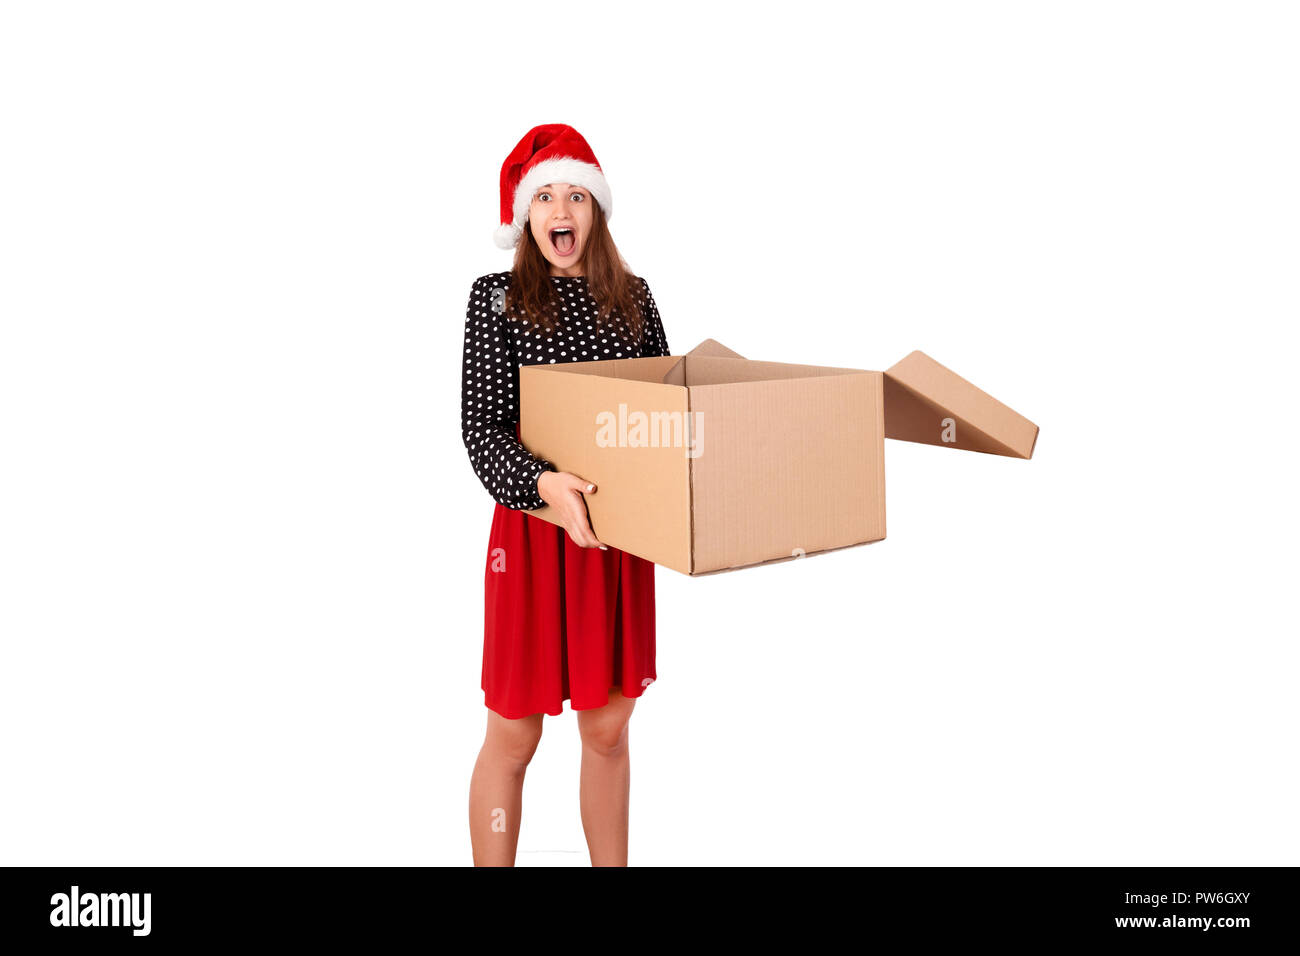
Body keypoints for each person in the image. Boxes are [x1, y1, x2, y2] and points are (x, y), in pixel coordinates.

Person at [461, 124, 671, 866]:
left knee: (608, 729)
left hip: (619, 538)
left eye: (576, 194)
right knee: (514, 734)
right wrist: (543, 485)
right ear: (525, 215)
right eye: (545, 194)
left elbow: (666, 416)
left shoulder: (635, 299)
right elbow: (481, 430)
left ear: (596, 210)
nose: (562, 209)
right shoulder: (496, 299)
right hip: (535, 535)